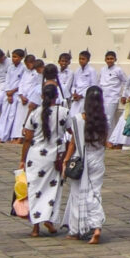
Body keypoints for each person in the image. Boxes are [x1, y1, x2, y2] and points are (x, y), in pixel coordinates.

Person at [21, 68, 70, 236]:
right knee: (52, 191)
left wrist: (22, 159)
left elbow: (27, 138)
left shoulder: (34, 113)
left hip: (35, 157)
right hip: (55, 157)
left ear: (42, 96)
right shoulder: (63, 112)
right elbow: (72, 131)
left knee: (34, 189)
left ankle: (35, 227)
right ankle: (48, 219)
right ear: (57, 96)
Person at [65, 85, 109, 243]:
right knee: (95, 193)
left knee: (79, 194)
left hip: (82, 160)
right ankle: (91, 227)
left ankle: (85, 228)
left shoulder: (78, 119)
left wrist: (65, 161)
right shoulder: (104, 119)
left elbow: (73, 144)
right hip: (98, 160)